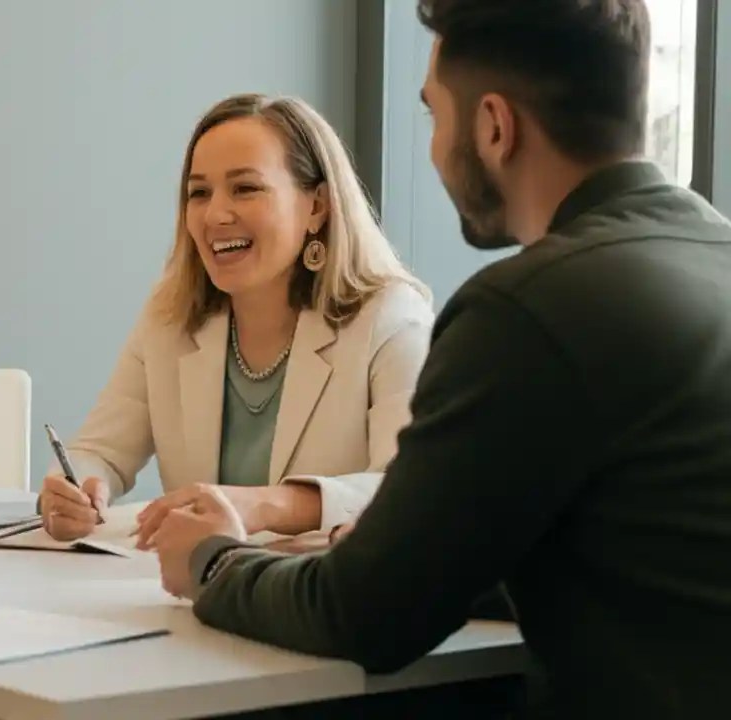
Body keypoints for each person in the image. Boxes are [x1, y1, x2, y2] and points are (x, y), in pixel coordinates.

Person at [153, 1, 731, 717]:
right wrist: (417, 545)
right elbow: (647, 558)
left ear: (493, 125)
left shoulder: (528, 309)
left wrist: (215, 561)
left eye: (433, 114)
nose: (431, 148)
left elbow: (366, 617)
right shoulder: (711, 260)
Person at [39, 93, 434, 546]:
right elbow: (98, 453)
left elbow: (413, 488)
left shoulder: (391, 317)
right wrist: (74, 490)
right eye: (199, 193)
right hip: (198, 590)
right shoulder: (170, 318)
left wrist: (264, 505)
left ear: (317, 206)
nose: (215, 215)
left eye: (246, 188)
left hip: (323, 597)